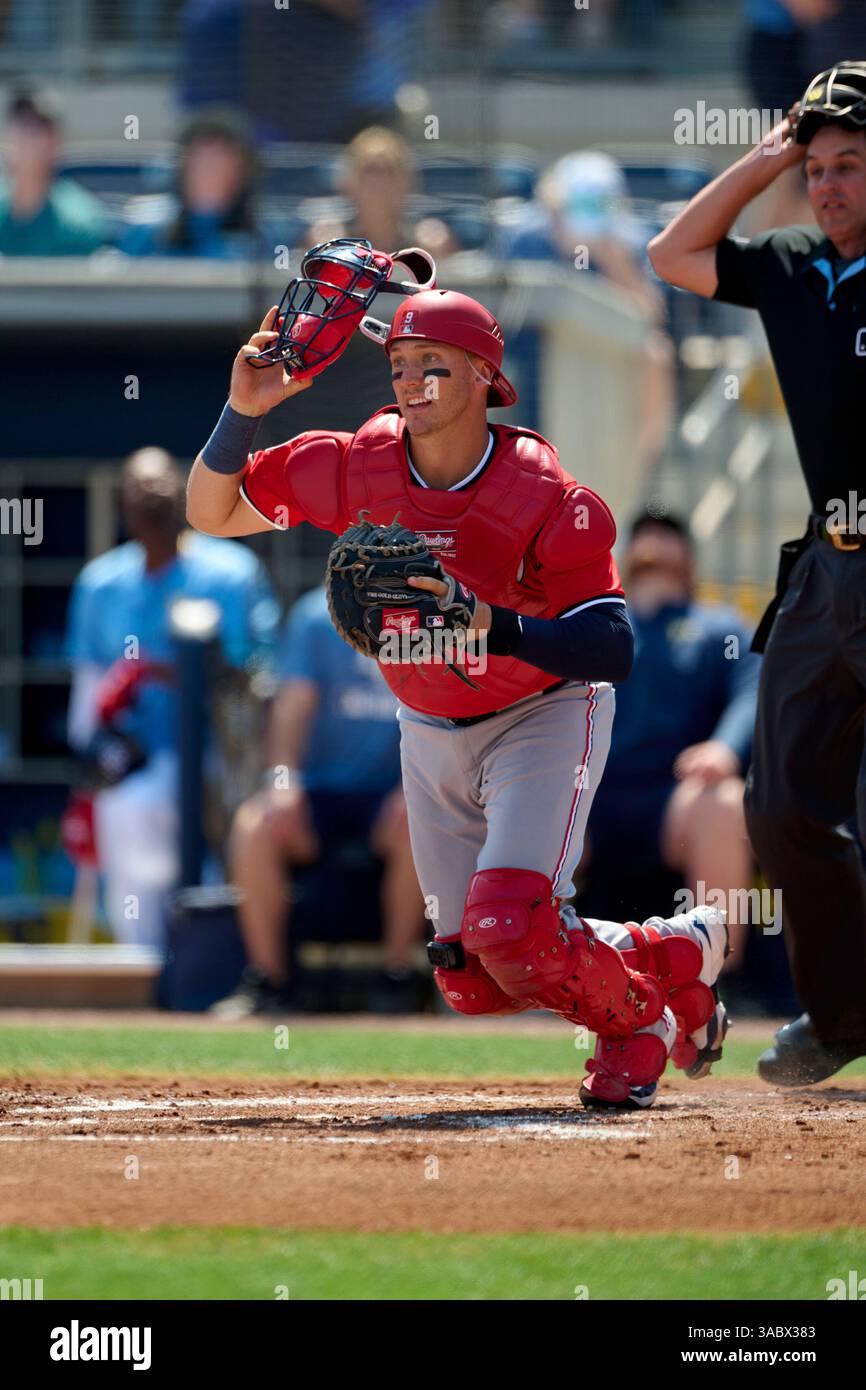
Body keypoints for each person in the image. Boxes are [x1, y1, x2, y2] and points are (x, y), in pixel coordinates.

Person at [185, 256, 730, 1112]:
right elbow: (210, 512)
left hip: (541, 711)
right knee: (472, 976)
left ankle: (641, 1024)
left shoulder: (543, 490)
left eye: (432, 364)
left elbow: (612, 644)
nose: (411, 382)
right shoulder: (360, 463)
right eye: (400, 365)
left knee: (511, 925)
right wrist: (241, 412)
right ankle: (665, 953)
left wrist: (492, 623)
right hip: (428, 722)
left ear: (485, 375)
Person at [648, 59, 866, 1086]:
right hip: (828, 565)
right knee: (778, 804)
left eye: (848, 165)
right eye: (815, 167)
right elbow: (671, 252)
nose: (825, 185)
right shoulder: (788, 261)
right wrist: (769, 154)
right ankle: (839, 1014)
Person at [66, 448, 278, 947]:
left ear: (182, 494)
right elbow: (88, 693)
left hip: (222, 756)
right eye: (138, 490)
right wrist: (88, 771)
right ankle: (151, 968)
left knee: (217, 849)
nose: (150, 499)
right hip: (138, 761)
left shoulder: (230, 572)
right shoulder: (101, 584)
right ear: (121, 505)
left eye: (161, 487)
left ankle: (215, 965)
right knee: (135, 817)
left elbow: (263, 677)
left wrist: (190, 671)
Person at [211, 585, 425, 1017]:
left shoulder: (431, 616)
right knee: (255, 826)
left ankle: (397, 977)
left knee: (420, 823)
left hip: (394, 789)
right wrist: (283, 780)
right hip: (320, 791)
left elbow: (441, 714)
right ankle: (269, 982)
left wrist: (416, 786)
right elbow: (293, 706)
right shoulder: (317, 614)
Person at [581, 510, 760, 971]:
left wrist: (725, 748)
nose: (654, 546)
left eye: (667, 537)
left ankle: (717, 980)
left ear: (689, 560)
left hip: (676, 799)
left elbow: (754, 691)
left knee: (723, 803)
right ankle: (521, 973)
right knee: (518, 792)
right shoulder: (596, 624)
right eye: (643, 537)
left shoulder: (721, 627)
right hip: (587, 796)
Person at [501, 151, 675, 477]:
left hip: (608, 370)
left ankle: (644, 465)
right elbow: (508, 314)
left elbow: (653, 316)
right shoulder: (529, 237)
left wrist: (613, 259)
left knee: (656, 352)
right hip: (535, 365)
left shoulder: (629, 239)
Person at [305, 126, 458, 268]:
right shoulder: (328, 246)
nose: (378, 181)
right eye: (370, 169)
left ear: (407, 182)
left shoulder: (430, 247)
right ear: (349, 183)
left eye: (389, 170)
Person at [120, 110, 261, 261]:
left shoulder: (266, 242)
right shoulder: (147, 236)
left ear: (243, 170)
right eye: (200, 157)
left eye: (222, 158)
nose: (210, 166)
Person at [0, 92, 111, 257]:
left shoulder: (79, 221)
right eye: (20, 124)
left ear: (55, 142)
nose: (26, 137)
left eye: (37, 128)